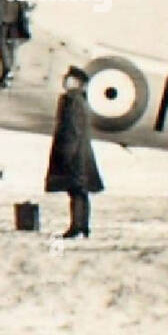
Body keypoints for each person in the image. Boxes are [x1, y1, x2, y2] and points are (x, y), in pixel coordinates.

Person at [44, 65, 105, 238]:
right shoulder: (81, 100)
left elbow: (72, 129)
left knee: (76, 190)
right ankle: (82, 226)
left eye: (70, 79)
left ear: (78, 83)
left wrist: (66, 154)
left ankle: (77, 226)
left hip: (73, 151)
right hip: (81, 151)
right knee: (80, 190)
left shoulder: (71, 100)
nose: (66, 81)